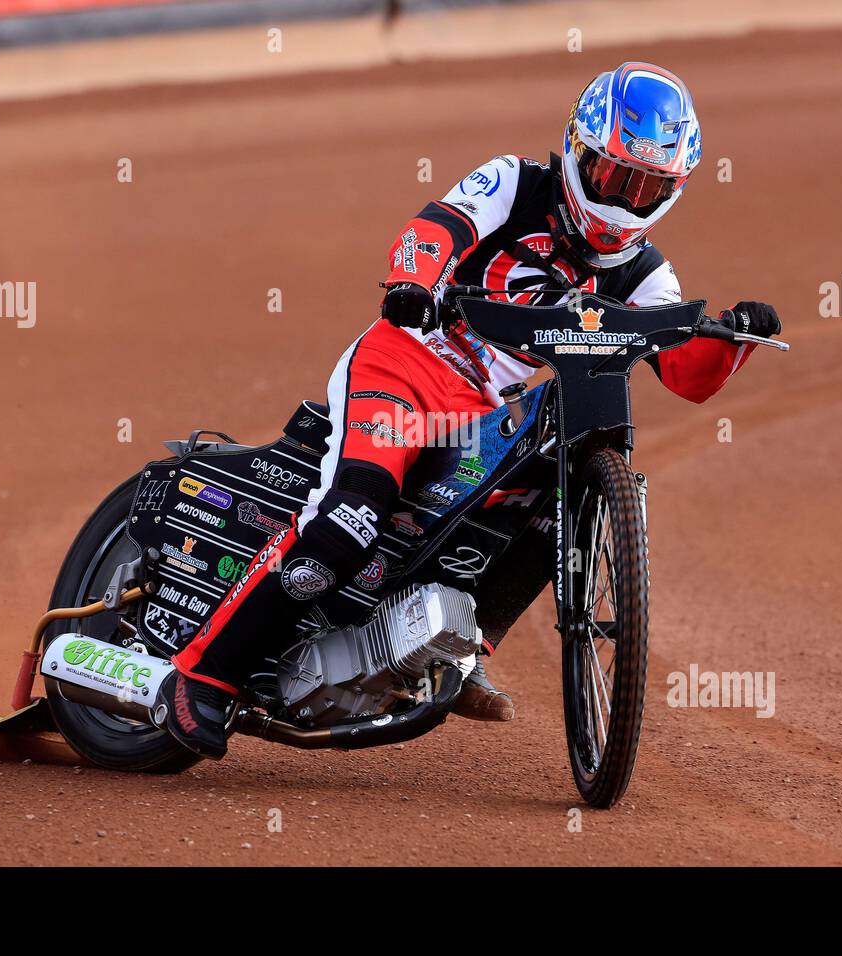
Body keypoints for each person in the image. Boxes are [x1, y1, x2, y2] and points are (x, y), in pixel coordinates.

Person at [156, 62, 782, 758]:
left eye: (647, 187)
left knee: (561, 478)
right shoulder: (516, 182)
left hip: (480, 407)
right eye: (613, 176)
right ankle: (200, 676)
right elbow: (436, 229)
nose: (626, 200)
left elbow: (685, 374)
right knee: (351, 516)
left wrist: (732, 340)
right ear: (578, 151)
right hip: (405, 365)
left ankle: (463, 647)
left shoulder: (645, 272)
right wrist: (412, 282)